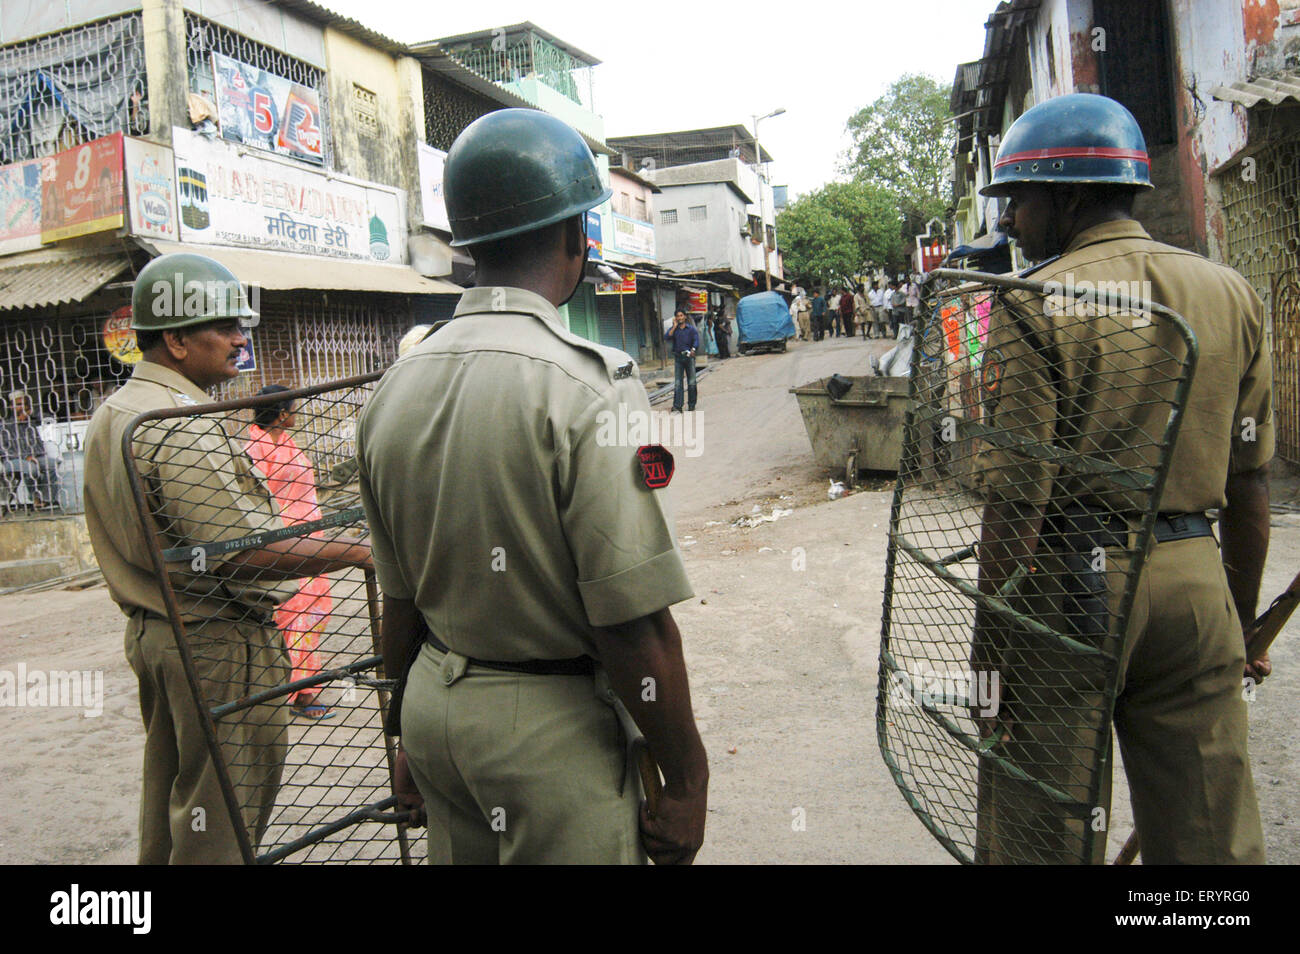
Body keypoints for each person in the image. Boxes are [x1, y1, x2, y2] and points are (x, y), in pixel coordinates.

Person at [357, 108, 708, 865]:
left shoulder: (394, 388)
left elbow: (400, 605)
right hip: (547, 739)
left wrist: (410, 734)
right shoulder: (589, 386)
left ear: (470, 243)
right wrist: (687, 778)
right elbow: (632, 623)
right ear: (575, 236)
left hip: (437, 712)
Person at [972, 93, 1271, 864]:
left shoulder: (1035, 302)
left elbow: (1016, 507)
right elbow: (1251, 483)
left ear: (1067, 194)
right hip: (1196, 579)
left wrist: (990, 658)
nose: (1009, 220)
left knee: (1043, 826)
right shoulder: (1231, 293)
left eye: (1019, 200)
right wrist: (1236, 621)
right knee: (1210, 833)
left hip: (1073, 587)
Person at [82, 252, 372, 864]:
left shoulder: (118, 413)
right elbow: (244, 553)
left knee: (177, 809)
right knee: (221, 826)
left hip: (161, 634)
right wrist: (356, 550)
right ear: (177, 339)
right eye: (225, 327)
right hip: (216, 640)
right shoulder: (179, 423)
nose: (241, 339)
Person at [244, 385, 335, 721]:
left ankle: (298, 685)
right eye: (293, 408)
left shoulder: (285, 442)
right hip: (285, 544)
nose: (297, 413)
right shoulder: (255, 448)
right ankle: (302, 692)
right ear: (282, 414)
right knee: (292, 617)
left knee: (314, 613)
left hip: (310, 541)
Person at [1, 390, 60, 508]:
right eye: (18, 404)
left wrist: (31, 412)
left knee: (54, 464)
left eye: (24, 404)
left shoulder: (31, 418)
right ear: (11, 406)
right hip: (13, 460)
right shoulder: (5, 424)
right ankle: (36, 497)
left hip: (36, 456)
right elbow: (3, 450)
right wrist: (25, 457)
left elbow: (51, 418)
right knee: (31, 469)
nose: (21, 407)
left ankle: (46, 498)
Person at [666, 309, 700, 412]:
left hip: (689, 357)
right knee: (678, 383)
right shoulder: (674, 329)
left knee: (692, 382)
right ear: (675, 318)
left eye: (681, 316)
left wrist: (693, 349)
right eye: (678, 316)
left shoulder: (691, 329)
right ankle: (677, 406)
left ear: (685, 317)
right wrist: (674, 326)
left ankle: (691, 404)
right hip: (678, 358)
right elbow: (667, 337)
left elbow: (696, 341)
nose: (680, 318)